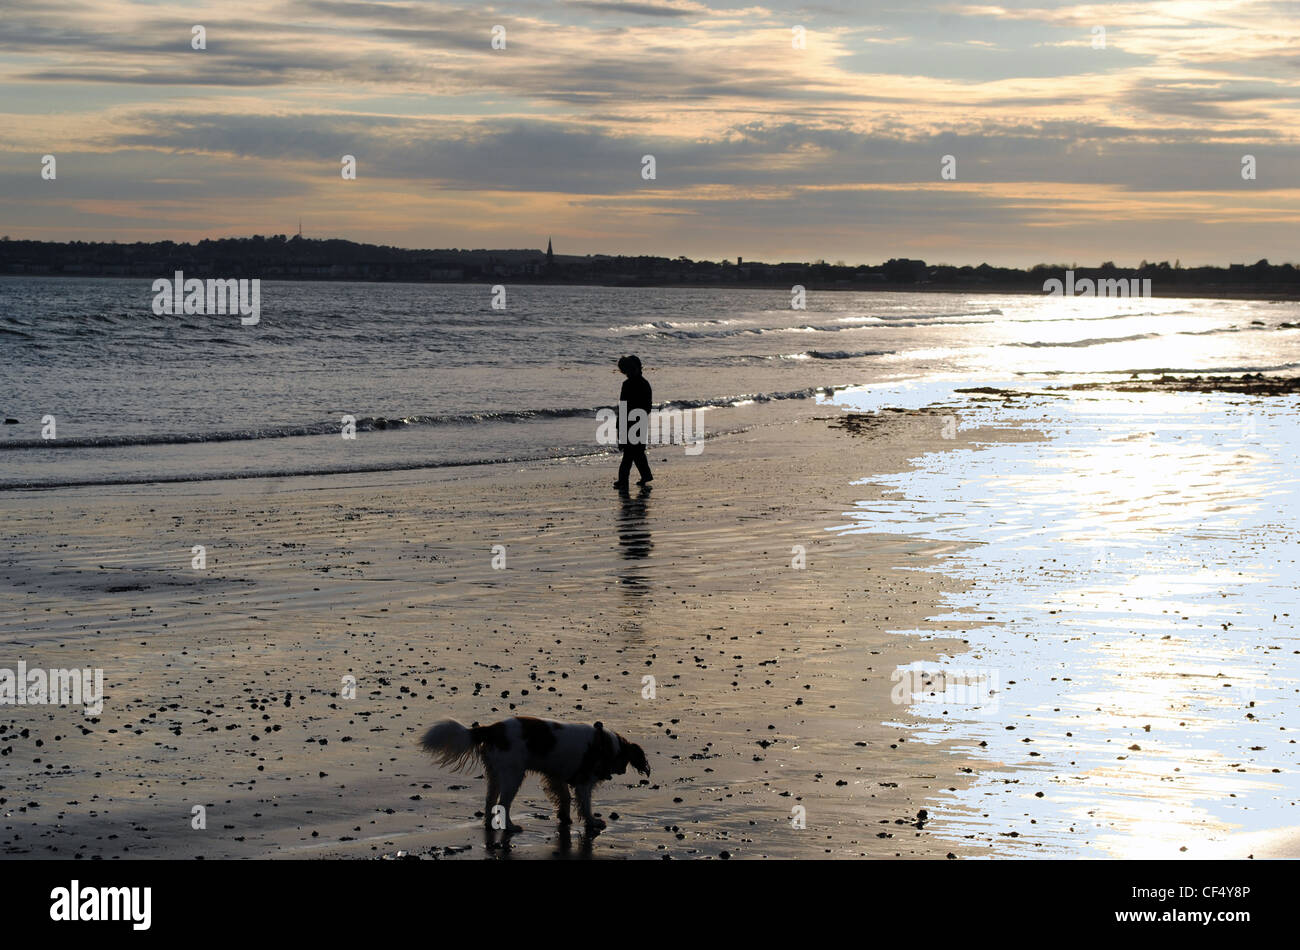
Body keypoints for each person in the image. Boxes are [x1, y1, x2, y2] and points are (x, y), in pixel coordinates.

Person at [615, 355, 653, 489]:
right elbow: (623, 406)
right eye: (627, 370)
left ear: (638, 368)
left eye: (631, 369)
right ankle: (645, 475)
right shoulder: (640, 384)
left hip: (636, 422)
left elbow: (646, 406)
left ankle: (623, 481)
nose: (629, 373)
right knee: (636, 453)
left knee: (630, 454)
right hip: (635, 421)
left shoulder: (640, 384)